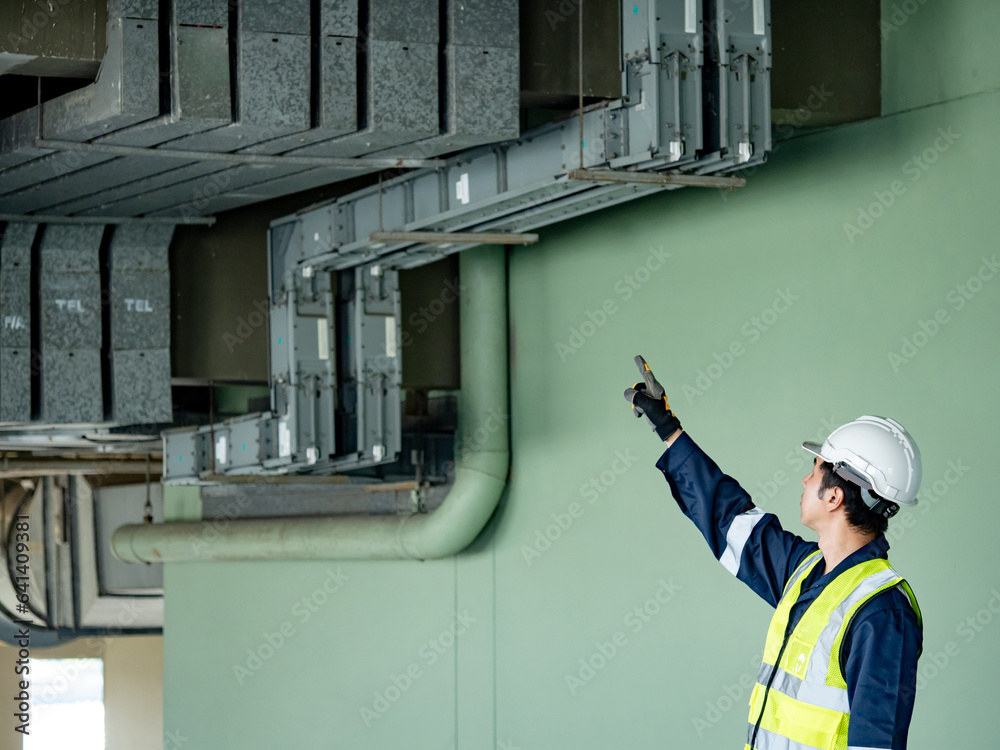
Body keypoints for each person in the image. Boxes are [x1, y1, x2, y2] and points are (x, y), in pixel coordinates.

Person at [624, 355, 923, 750]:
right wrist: (668, 428)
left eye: (814, 469)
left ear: (834, 496)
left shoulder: (882, 612)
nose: (804, 479)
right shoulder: (806, 570)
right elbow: (727, 517)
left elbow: (876, 743)